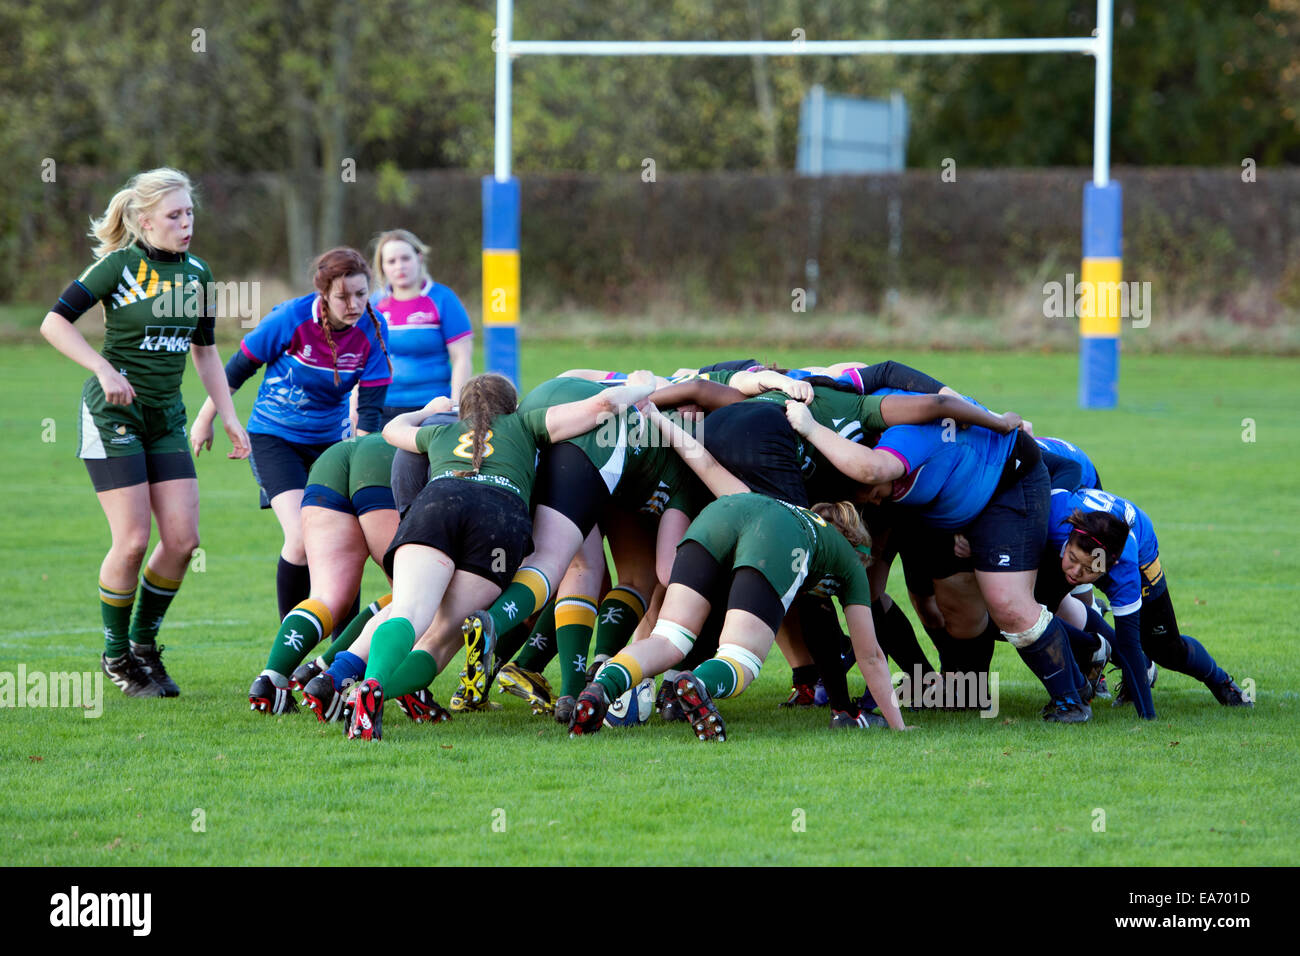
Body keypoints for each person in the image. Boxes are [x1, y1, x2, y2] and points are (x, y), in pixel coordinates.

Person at [344, 373, 655, 739]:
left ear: (463, 410)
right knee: (443, 637)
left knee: (409, 612)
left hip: (437, 502)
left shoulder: (441, 431)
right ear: (513, 404)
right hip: (497, 515)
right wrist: (643, 387)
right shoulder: (525, 421)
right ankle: (383, 693)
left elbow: (394, 429)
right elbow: (602, 405)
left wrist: (428, 409)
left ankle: (371, 682)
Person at [39, 167, 249, 699]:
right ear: (144, 219)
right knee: (132, 542)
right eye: (175, 215)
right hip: (113, 417)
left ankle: (144, 647)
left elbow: (204, 351)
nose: (186, 223)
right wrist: (103, 370)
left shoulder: (199, 273)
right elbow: (54, 323)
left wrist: (225, 415)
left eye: (190, 213)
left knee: (182, 541)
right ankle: (115, 657)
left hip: (166, 418)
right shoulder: (119, 266)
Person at [570, 493, 911, 739]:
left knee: (668, 640)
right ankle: (698, 684)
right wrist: (898, 725)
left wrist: (842, 710)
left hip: (719, 514)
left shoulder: (807, 526)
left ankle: (602, 686)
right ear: (856, 546)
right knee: (740, 657)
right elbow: (870, 654)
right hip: (773, 536)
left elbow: (820, 628)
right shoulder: (848, 560)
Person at [192, 248, 393, 621]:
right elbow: (237, 370)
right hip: (274, 438)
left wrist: (361, 462)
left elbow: (369, 410)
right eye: (343, 296)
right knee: (302, 540)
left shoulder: (374, 328)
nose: (354, 304)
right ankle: (289, 650)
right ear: (323, 294)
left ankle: (340, 664)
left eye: (361, 294)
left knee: (344, 543)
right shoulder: (291, 318)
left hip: (334, 443)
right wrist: (206, 418)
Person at [1036, 488, 1251, 718]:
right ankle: (1092, 652)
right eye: (1072, 559)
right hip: (1073, 532)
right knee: (1036, 611)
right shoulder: (1053, 519)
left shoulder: (1124, 571)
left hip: (1141, 544)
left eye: (1089, 569)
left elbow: (1129, 645)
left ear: (1112, 566)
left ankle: (1220, 680)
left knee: (1163, 648)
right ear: (1068, 542)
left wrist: (1147, 719)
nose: (1076, 573)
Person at [247, 432, 399, 714]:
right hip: (383, 465)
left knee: (328, 597)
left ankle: (272, 678)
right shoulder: (483, 437)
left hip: (333, 458)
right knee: (410, 597)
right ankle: (349, 679)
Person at [371, 229, 473, 422]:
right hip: (381, 406)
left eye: (405, 258)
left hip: (432, 408)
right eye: (391, 261)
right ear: (382, 267)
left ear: (419, 258)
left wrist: (456, 406)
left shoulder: (443, 299)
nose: (399, 266)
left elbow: (462, 358)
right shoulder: (374, 305)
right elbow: (361, 360)